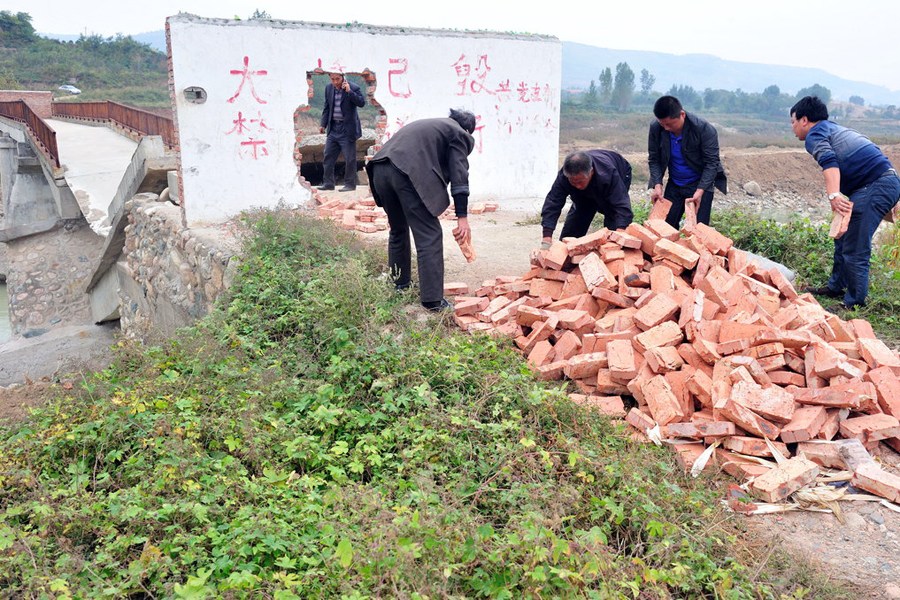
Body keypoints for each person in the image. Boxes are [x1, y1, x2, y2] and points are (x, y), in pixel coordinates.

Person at [790, 95, 900, 311]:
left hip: (875, 185)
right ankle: (836, 287)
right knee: (842, 236)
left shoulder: (816, 134)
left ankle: (854, 302)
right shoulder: (833, 129)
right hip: (878, 182)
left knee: (855, 245)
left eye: (792, 121)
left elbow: (829, 161)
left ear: (804, 120)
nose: (792, 128)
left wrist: (834, 196)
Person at [365, 108, 476, 312]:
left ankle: (399, 284)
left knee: (398, 230)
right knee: (429, 234)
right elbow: (459, 174)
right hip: (405, 171)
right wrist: (462, 217)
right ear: (468, 130)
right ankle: (433, 301)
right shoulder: (460, 133)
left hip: (379, 169)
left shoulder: (432, 125)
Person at [647, 95, 727, 228]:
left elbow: (712, 163)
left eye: (670, 124)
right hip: (675, 183)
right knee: (665, 227)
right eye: (662, 124)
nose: (666, 128)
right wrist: (657, 184)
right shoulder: (656, 127)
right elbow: (654, 159)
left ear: (682, 115)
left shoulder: (704, 129)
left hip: (700, 184)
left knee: (698, 230)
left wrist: (700, 191)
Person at [540, 150, 633, 246]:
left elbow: (621, 204)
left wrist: (620, 235)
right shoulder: (564, 176)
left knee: (612, 215)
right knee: (580, 212)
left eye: (580, 181)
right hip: (591, 184)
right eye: (573, 182)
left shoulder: (608, 174)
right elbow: (553, 202)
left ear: (591, 172)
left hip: (620, 169)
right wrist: (547, 237)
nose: (578, 186)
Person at [318, 72, 366, 192]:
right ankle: (328, 183)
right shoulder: (329, 88)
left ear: (342, 77)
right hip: (333, 128)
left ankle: (350, 184)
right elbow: (327, 107)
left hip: (347, 129)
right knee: (328, 156)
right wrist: (323, 124)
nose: (335, 82)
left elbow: (361, 103)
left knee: (350, 158)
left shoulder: (354, 87)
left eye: (337, 79)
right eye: (332, 79)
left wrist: (349, 91)